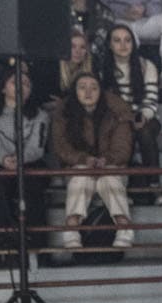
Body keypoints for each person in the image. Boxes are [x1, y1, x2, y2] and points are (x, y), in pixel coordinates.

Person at [52, 71, 135, 248]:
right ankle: (72, 228)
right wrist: (83, 159)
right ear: (75, 91)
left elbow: (123, 148)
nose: (88, 92)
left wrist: (106, 159)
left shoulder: (116, 114)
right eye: (82, 88)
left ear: (101, 92)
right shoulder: (64, 114)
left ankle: (124, 227)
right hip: (78, 167)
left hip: (112, 166)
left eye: (94, 88)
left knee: (110, 177)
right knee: (81, 175)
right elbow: (61, 147)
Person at [0, 64, 47, 258]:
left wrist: (19, 160)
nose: (21, 87)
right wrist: (4, 159)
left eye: (26, 84)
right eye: (15, 82)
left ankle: (36, 242)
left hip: (29, 164)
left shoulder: (41, 115)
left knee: (32, 184)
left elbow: (37, 148)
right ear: (3, 88)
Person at [101, 24, 162, 202]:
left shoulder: (146, 66)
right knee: (121, 131)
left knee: (145, 131)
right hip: (117, 118)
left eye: (127, 40)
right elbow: (105, 102)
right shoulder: (103, 68)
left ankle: (155, 185)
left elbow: (151, 100)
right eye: (117, 40)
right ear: (110, 45)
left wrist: (142, 116)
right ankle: (123, 187)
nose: (123, 45)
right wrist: (125, 118)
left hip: (144, 116)